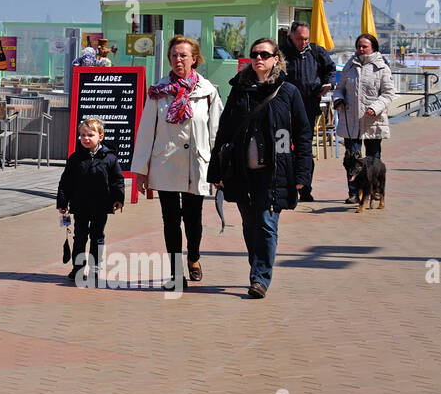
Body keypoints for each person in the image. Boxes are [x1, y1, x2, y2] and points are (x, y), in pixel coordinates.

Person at [207, 37, 313, 299]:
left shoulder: (288, 92)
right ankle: (258, 266)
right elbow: (225, 132)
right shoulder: (240, 90)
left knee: (266, 223)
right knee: (249, 224)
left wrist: (302, 174)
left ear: (276, 58)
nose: (259, 59)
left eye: (265, 54)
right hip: (242, 170)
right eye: (255, 54)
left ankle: (260, 278)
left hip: (275, 170)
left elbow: (302, 134)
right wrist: (216, 172)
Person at [132, 35, 223, 286]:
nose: (178, 59)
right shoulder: (158, 92)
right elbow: (145, 131)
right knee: (170, 220)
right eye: (174, 55)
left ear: (195, 59)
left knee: (193, 219)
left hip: (197, 164)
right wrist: (141, 170)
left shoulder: (208, 92)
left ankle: (193, 256)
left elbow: (217, 131)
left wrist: (220, 168)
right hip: (165, 164)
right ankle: (175, 272)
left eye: (183, 55)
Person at [56, 117, 125, 284]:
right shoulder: (75, 158)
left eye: (90, 135)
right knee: (80, 236)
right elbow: (66, 181)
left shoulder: (110, 158)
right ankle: (78, 268)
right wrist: (62, 202)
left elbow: (117, 180)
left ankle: (95, 268)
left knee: (97, 236)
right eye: (82, 135)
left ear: (100, 136)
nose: (86, 138)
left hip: (101, 205)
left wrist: (118, 198)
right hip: (80, 205)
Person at [333, 33, 395, 203]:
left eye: (364, 46)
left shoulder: (381, 67)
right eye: (359, 46)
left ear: (373, 48)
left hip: (373, 121)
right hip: (350, 120)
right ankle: (354, 193)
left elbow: (389, 94)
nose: (360, 49)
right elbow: (340, 88)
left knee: (373, 159)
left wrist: (375, 108)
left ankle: (374, 189)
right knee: (352, 158)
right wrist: (338, 99)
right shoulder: (350, 65)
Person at [280, 20, 336, 201]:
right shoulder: (281, 53)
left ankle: (305, 189)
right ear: (291, 36)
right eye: (299, 39)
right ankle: (284, 186)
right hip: (285, 110)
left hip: (308, 109)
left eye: (305, 39)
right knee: (284, 149)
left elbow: (330, 69)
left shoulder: (316, 51)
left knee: (304, 150)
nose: (303, 42)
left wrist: (328, 83)